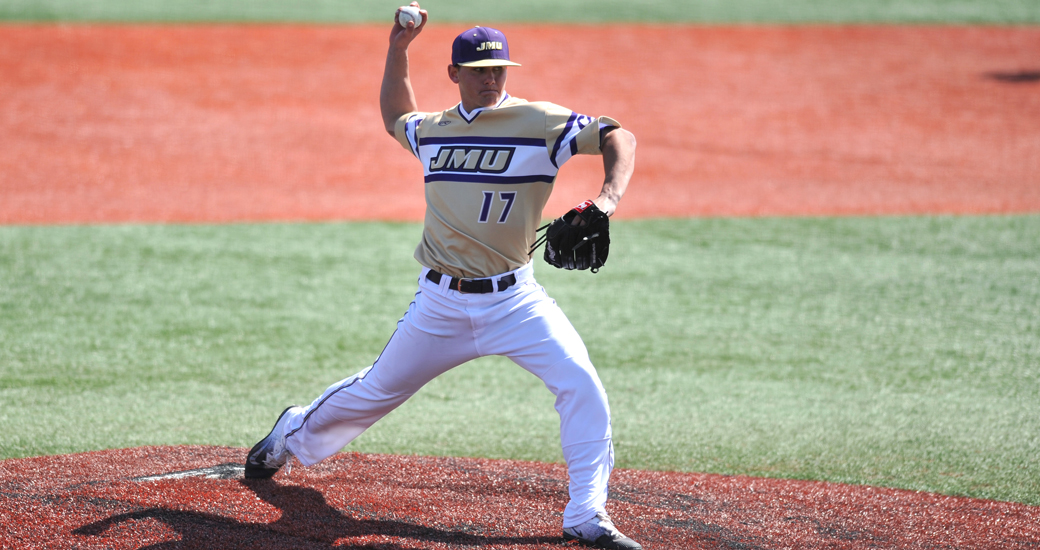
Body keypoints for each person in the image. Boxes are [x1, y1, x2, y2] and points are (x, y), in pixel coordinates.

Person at [244, 4, 639, 549]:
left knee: (581, 383)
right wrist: (398, 49)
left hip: (516, 301)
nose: (490, 78)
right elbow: (394, 118)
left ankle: (586, 513)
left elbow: (620, 136)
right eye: (478, 70)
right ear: (454, 74)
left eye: (498, 68)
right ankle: (292, 430)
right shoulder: (434, 130)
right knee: (376, 391)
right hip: (441, 304)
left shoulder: (542, 122)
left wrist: (607, 200)